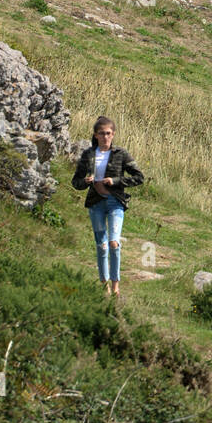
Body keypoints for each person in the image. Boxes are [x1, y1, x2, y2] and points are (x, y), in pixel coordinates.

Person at [71, 116, 144, 297]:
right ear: (96, 135)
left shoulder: (121, 154)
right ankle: (104, 285)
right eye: (102, 133)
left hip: (115, 201)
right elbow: (75, 182)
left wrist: (116, 180)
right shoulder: (88, 155)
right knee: (101, 246)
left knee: (114, 243)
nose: (105, 137)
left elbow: (139, 177)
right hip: (96, 202)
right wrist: (85, 181)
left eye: (108, 133)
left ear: (113, 134)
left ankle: (116, 285)